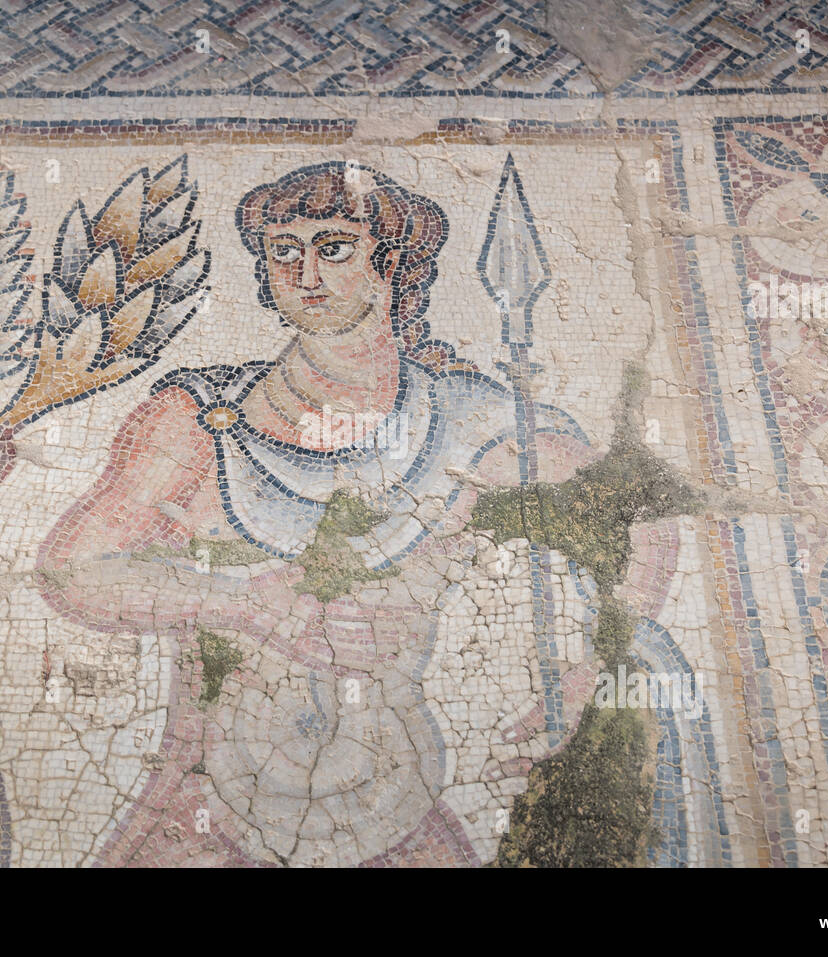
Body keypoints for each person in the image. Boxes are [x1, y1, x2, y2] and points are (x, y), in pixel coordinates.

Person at [38, 161, 599, 866]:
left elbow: (631, 517)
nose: (304, 272)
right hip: (205, 801)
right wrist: (246, 605)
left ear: (388, 264)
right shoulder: (199, 418)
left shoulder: (471, 422)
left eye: (333, 246)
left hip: (389, 798)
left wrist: (588, 675)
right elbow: (71, 568)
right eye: (284, 250)